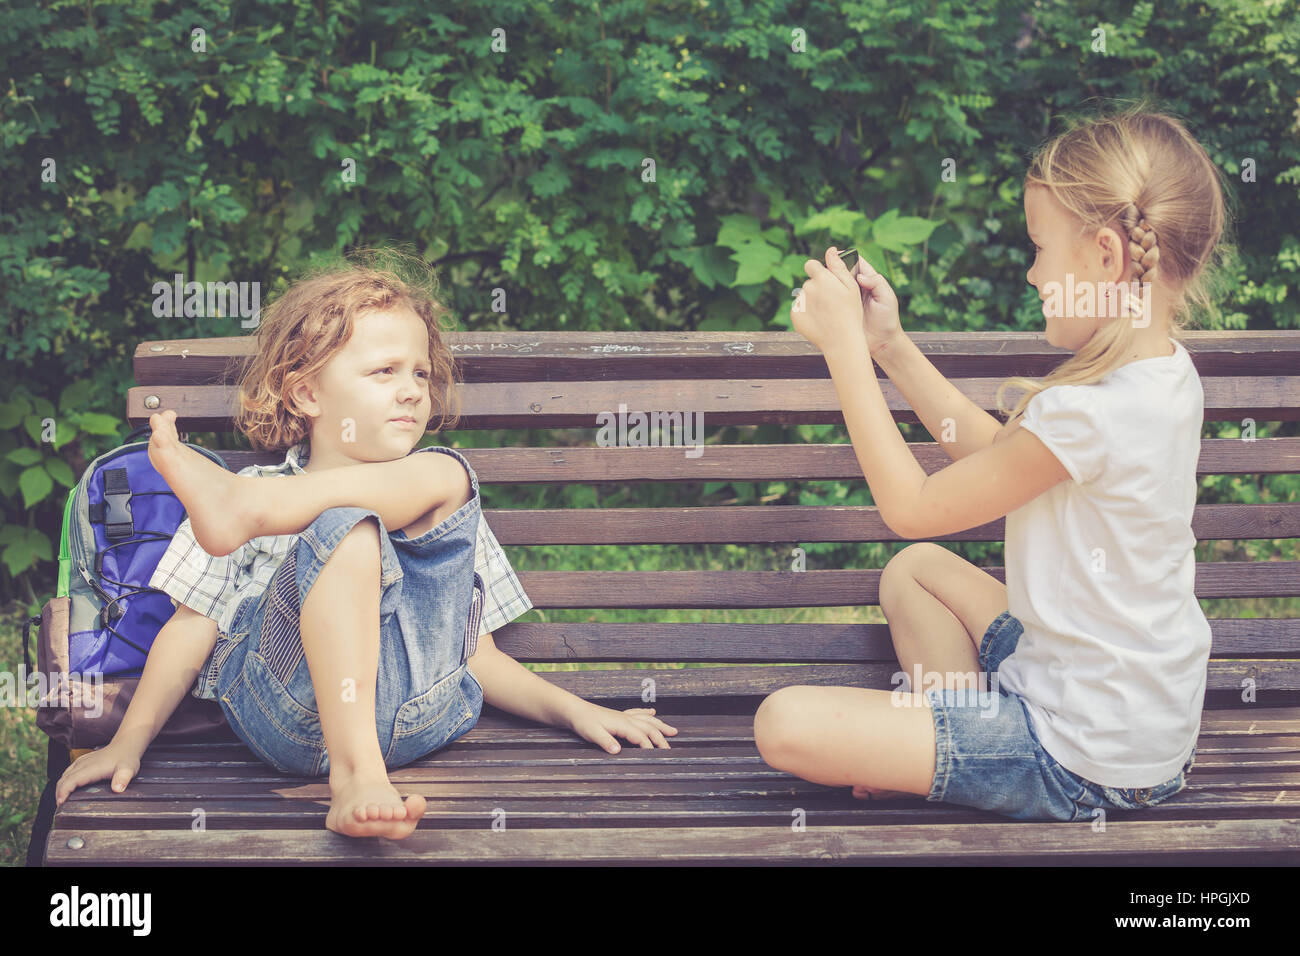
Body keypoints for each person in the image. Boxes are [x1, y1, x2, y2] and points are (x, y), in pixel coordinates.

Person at [54, 250, 676, 839]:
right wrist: (128, 739)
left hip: (420, 711)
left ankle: (256, 519)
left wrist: (576, 711)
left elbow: (472, 655)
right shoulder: (262, 479)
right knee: (347, 526)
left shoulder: (440, 500)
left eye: (421, 374)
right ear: (306, 393)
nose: (412, 390)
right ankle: (355, 779)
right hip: (290, 714)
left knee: (449, 471)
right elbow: (191, 631)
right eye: (384, 371)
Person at [756, 104, 1231, 822]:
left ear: (1105, 256)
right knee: (916, 571)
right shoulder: (1162, 373)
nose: (1033, 270)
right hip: (1136, 728)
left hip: (1076, 756)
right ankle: (957, 743)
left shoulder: (1091, 410)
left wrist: (842, 347)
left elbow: (910, 505)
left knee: (784, 724)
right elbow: (999, 458)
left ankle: (951, 756)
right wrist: (889, 345)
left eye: (1040, 247)